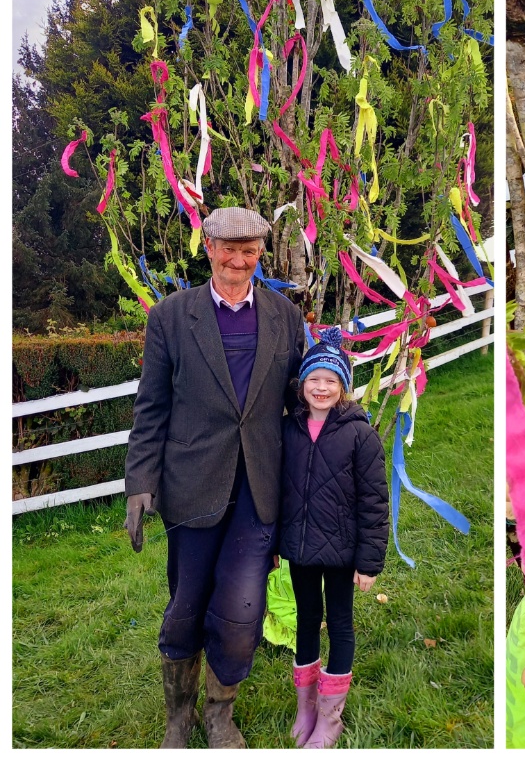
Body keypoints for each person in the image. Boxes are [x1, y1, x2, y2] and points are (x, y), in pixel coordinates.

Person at [124, 206, 306, 749]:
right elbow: (151, 407)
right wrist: (139, 484)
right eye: (228, 248)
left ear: (259, 254)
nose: (238, 260)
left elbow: (301, 401)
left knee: (242, 608)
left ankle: (219, 713)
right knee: (186, 605)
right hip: (192, 484)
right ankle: (177, 718)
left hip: (258, 487)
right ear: (207, 247)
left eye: (249, 250)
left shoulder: (283, 317)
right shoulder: (172, 317)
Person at [279, 326, 389, 749]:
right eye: (313, 380)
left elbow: (374, 502)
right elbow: (278, 492)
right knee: (306, 622)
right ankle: (305, 706)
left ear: (342, 386)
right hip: (301, 550)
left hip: (343, 553)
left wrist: (369, 561)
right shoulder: (289, 430)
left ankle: (330, 718)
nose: (321, 388)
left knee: (339, 624)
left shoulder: (359, 434)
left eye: (330, 381)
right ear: (302, 384)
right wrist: (275, 546)